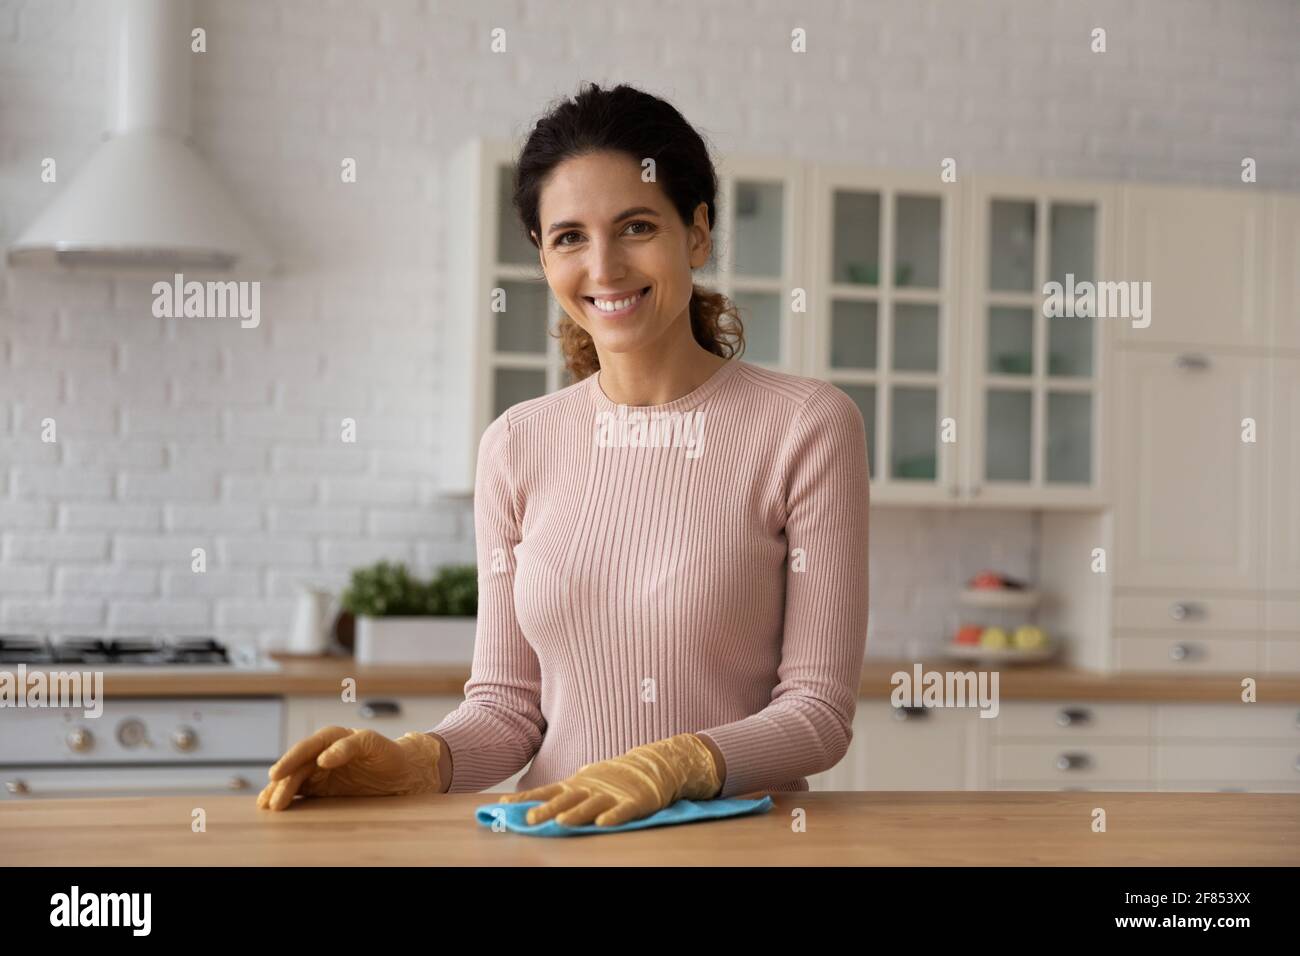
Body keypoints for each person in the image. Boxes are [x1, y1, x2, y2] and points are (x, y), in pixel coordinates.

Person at [259, 81, 870, 826]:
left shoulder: (806, 426)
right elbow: (506, 710)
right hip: (554, 841)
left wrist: (680, 764)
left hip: (734, 847)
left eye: (637, 226)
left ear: (698, 233)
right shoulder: (517, 444)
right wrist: (419, 761)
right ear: (544, 259)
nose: (604, 266)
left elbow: (818, 714)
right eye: (570, 236)